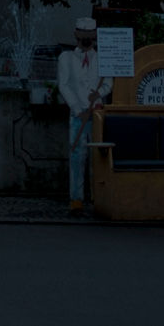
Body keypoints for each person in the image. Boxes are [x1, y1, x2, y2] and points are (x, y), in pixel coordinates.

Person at [55, 18, 112, 209]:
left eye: (89, 36)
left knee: (98, 157)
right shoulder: (66, 58)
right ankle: (76, 198)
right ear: (76, 36)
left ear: (94, 37)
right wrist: (77, 109)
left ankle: (97, 196)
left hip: (97, 115)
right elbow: (64, 85)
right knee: (77, 157)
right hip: (77, 115)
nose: (86, 40)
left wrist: (99, 93)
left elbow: (108, 83)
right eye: (82, 36)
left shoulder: (104, 58)